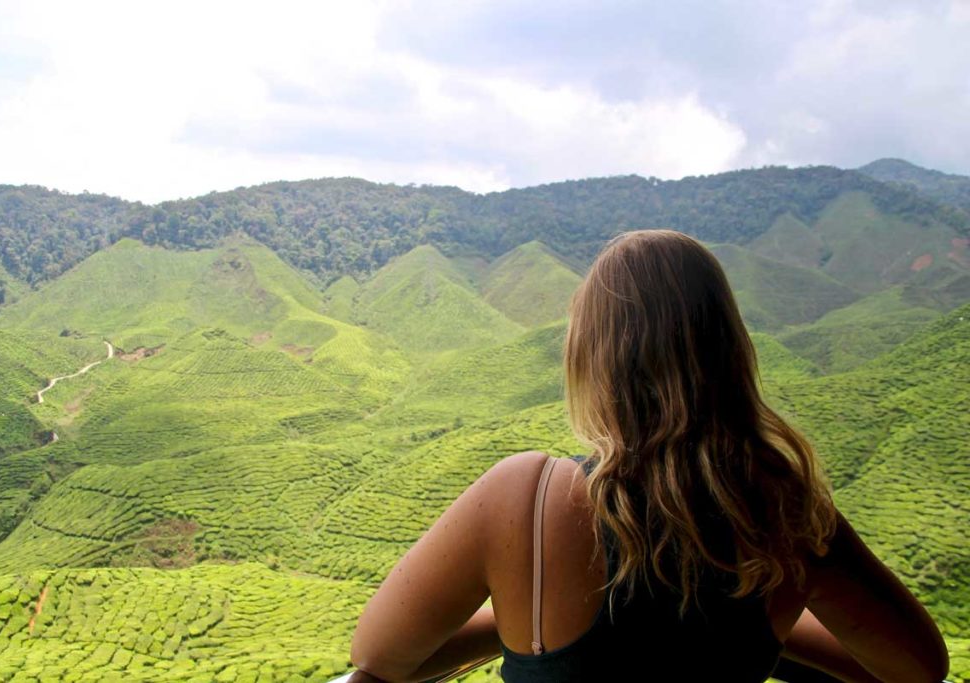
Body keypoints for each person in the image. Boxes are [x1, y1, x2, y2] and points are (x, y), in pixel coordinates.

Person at [348, 230, 949, 682]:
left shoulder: (529, 495)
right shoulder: (781, 508)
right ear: (730, 349)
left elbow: (377, 656)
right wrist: (770, 631)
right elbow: (919, 667)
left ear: (592, 357)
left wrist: (516, 625)